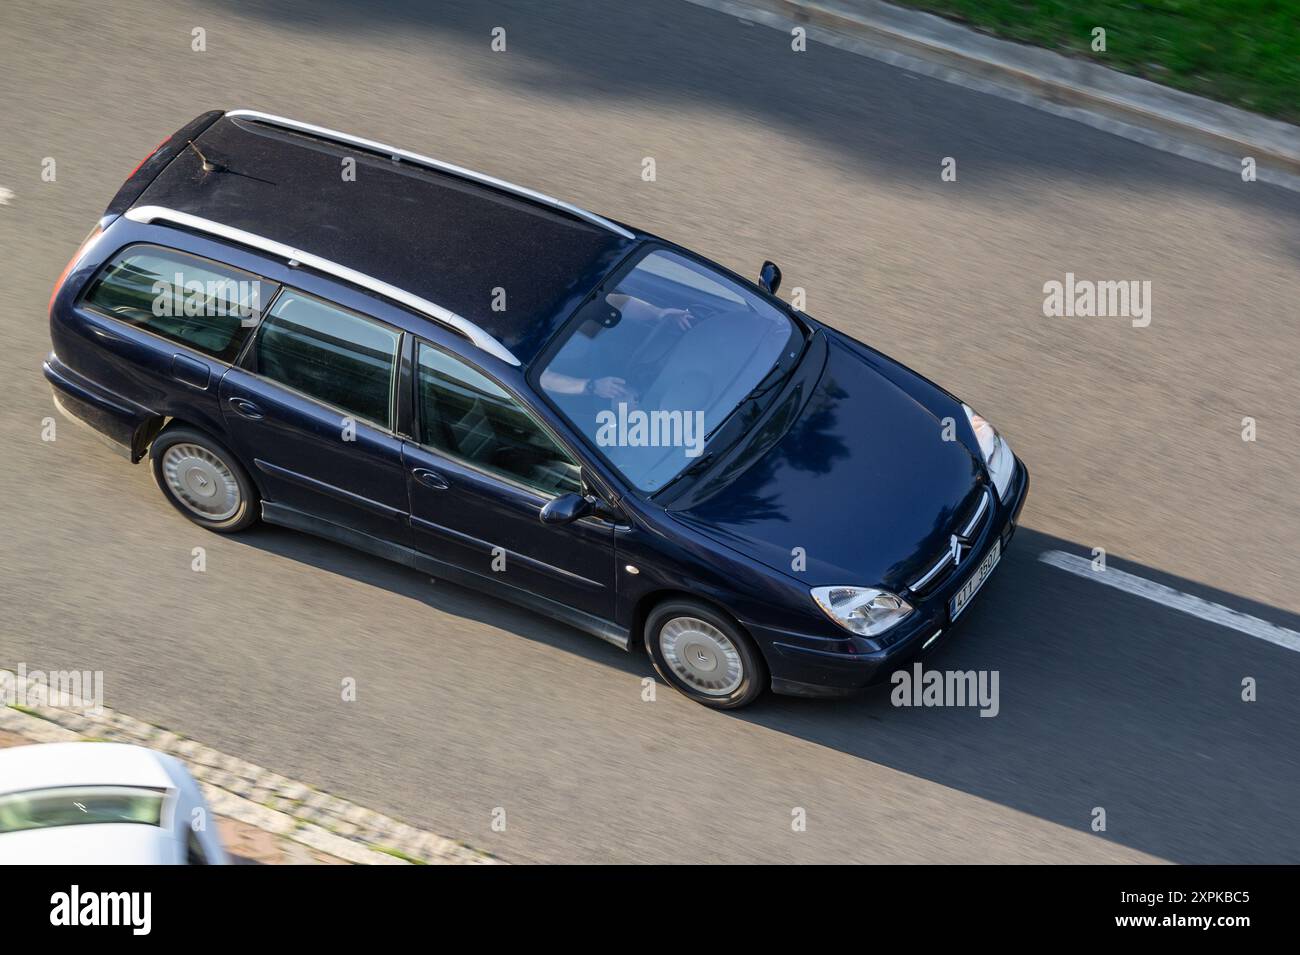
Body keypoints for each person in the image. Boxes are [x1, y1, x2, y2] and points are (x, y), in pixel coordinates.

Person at [539, 292, 697, 400]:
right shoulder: (529, 337)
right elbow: (544, 379)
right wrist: (591, 386)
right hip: (594, 389)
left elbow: (618, 304)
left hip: (610, 362)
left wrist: (658, 313)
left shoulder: (568, 299)